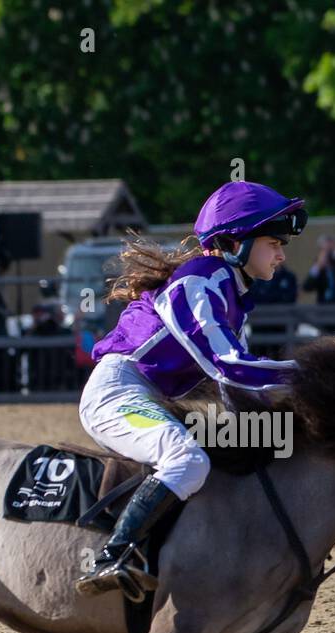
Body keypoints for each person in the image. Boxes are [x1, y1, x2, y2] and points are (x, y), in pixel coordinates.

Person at [74, 181, 305, 598]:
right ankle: (113, 557)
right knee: (186, 458)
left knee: (271, 441)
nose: (282, 254)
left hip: (152, 398)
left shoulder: (230, 295)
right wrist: (315, 375)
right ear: (235, 241)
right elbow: (232, 370)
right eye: (274, 242)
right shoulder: (198, 283)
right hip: (118, 395)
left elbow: (238, 394)